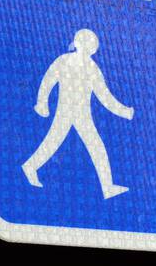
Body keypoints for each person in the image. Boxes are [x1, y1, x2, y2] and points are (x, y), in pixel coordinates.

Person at [22, 29, 134, 199]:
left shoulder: (90, 67)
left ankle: (107, 187)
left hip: (81, 114)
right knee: (57, 143)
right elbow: (48, 80)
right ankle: (30, 167)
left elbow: (104, 96)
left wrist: (124, 111)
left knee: (89, 145)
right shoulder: (65, 61)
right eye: (89, 44)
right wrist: (41, 102)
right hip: (67, 111)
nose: (91, 47)